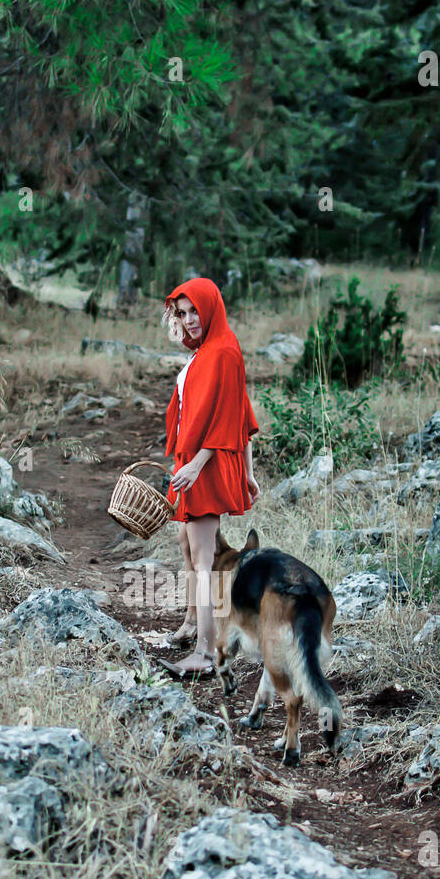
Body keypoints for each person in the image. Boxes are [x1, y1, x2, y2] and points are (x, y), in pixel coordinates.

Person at [158, 277, 260, 677]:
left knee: (204, 559)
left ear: (211, 307)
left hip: (205, 465)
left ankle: (206, 652)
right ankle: (191, 622)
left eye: (195, 311)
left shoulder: (224, 351)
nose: (189, 320)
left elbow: (230, 417)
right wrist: (248, 472)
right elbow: (240, 410)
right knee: (188, 543)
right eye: (182, 313)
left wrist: (199, 464)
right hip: (194, 461)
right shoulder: (207, 350)